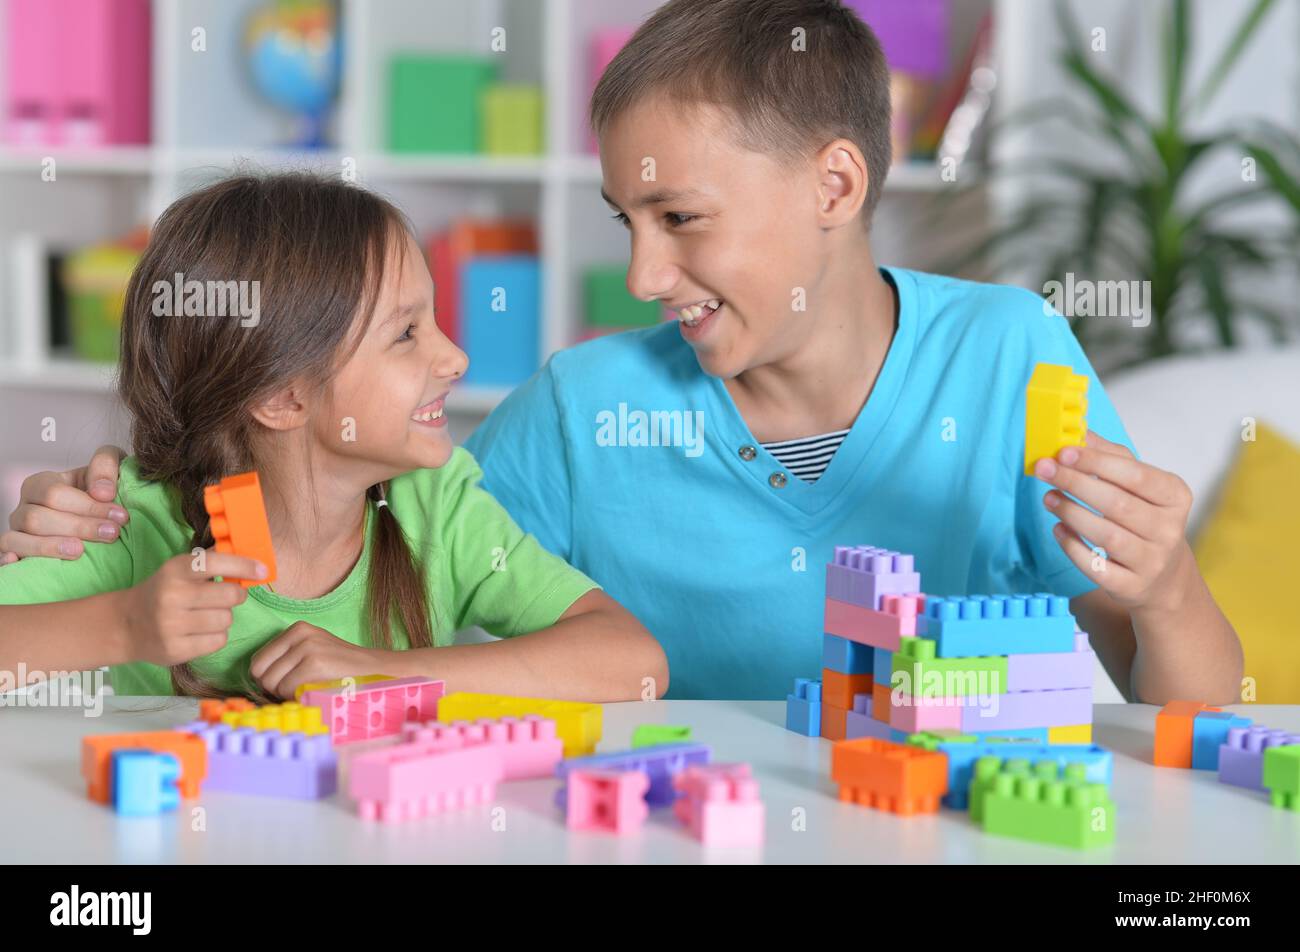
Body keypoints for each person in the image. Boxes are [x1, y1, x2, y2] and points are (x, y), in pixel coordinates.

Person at [2, 0, 1240, 704]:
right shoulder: (584, 406)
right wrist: (108, 505)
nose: (642, 279)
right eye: (625, 225)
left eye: (681, 220)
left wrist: (1167, 593)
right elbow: (343, 496)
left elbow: (1174, 713)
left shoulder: (1010, 354)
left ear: (836, 183)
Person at [0, 173, 667, 701]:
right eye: (406, 334)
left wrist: (386, 674)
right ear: (282, 396)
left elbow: (633, 661)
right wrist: (124, 625)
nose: (455, 358)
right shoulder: (135, 518)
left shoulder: (440, 507)